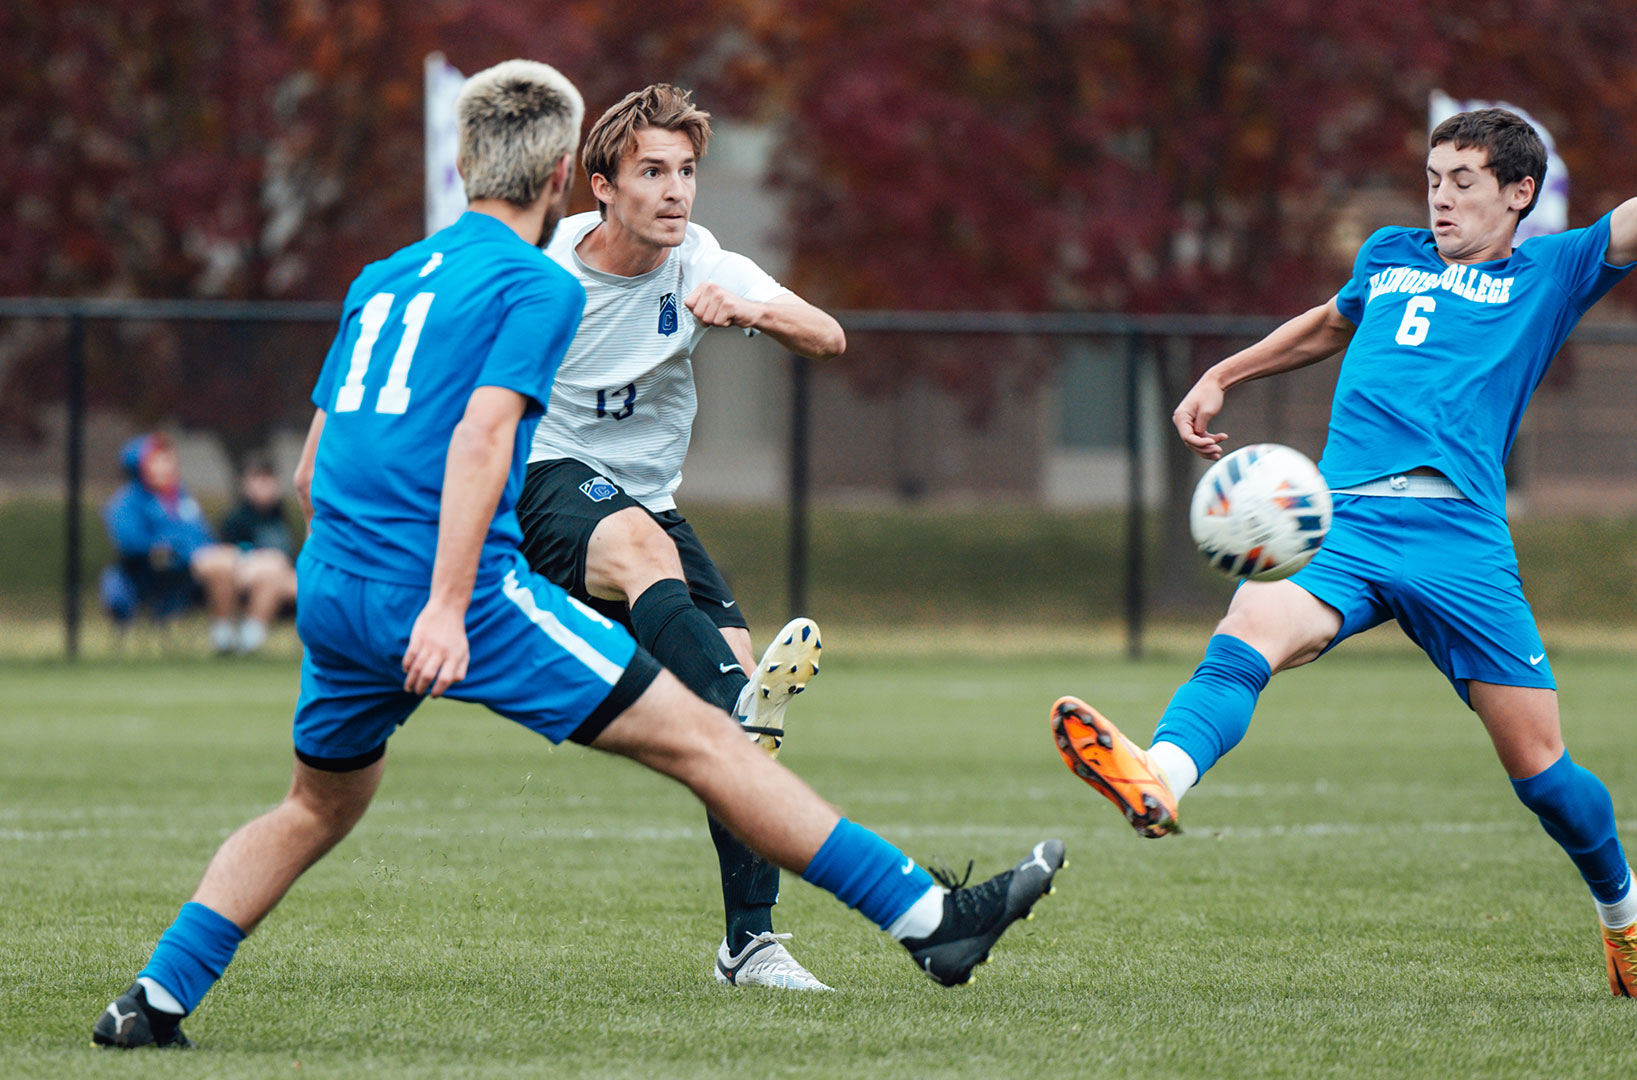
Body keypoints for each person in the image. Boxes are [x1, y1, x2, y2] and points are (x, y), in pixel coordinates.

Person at [93, 59, 1062, 1051]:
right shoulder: (538, 280)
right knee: (712, 740)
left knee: (315, 804)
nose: (672, 189)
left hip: (334, 583)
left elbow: (311, 467)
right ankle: (933, 923)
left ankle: (153, 1000)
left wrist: (351, 585)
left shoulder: (382, 278)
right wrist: (438, 606)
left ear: (467, 164)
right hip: (457, 593)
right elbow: (480, 442)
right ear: (568, 176)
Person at [1052, 0, 1637, 1000]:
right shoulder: (1390, 256)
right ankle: (1159, 775)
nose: (1440, 201)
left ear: (1520, 194)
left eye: (1464, 185)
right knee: (1251, 620)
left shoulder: (1551, 272)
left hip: (1460, 540)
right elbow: (1325, 324)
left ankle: (1623, 916)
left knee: (1545, 775)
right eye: (1432, 181)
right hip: (1343, 526)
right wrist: (1226, 373)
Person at [514, 84, 847, 990]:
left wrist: (755, 313)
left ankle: (750, 944)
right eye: (651, 172)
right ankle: (741, 699)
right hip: (548, 486)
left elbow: (829, 336)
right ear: (600, 187)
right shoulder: (545, 274)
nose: (675, 191)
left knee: (726, 727)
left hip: (651, 502)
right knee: (669, 592)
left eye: (688, 171)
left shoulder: (699, 261)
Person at [101, 433, 247, 651]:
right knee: (220, 563)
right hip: (159, 574)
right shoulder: (127, 501)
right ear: (140, 466)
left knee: (254, 563)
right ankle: (224, 637)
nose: (166, 466)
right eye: (157, 460)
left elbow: (203, 535)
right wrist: (180, 551)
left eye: (168, 458)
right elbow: (131, 544)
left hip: (199, 566)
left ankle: (248, 636)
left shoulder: (179, 496)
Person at [215, 454, 301, 652]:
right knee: (271, 574)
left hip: (285, 577)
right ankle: (249, 639)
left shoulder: (281, 515)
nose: (264, 486)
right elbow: (231, 554)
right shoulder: (236, 519)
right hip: (250, 578)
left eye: (268, 480)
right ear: (244, 484)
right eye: (257, 480)